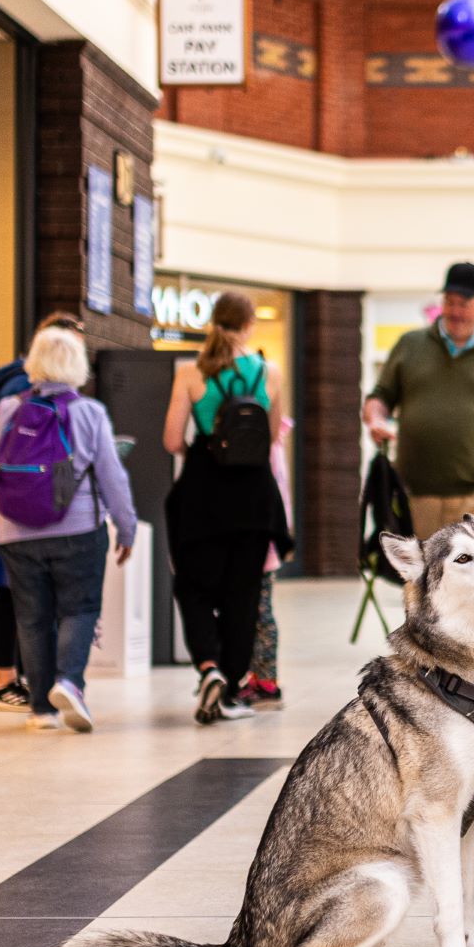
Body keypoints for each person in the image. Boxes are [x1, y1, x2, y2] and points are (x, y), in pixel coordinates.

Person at [0, 323, 137, 733]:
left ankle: (40, 710)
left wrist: (15, 501)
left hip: (15, 536)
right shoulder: (90, 413)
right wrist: (127, 528)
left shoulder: (11, 408)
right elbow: (113, 479)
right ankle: (69, 682)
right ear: (77, 367)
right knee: (78, 609)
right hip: (77, 531)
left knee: (32, 617)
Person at [163, 292, 292, 725]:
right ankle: (233, 688)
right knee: (243, 596)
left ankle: (208, 667)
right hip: (253, 498)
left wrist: (202, 448)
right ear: (250, 324)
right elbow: (272, 437)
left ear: (212, 321)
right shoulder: (269, 373)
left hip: (201, 494)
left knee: (193, 588)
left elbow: (170, 441)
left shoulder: (189, 372)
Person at [363, 262, 474, 537]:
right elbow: (380, 397)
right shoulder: (410, 345)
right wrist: (376, 419)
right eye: (449, 302)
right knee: (422, 579)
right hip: (417, 497)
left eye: (464, 303)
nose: (455, 311)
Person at [239, 415, 295, 710]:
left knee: (260, 612)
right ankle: (256, 677)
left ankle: (266, 681)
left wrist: (282, 533)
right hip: (264, 534)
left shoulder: (270, 439)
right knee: (257, 610)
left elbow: (280, 486)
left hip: (263, 536)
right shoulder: (268, 435)